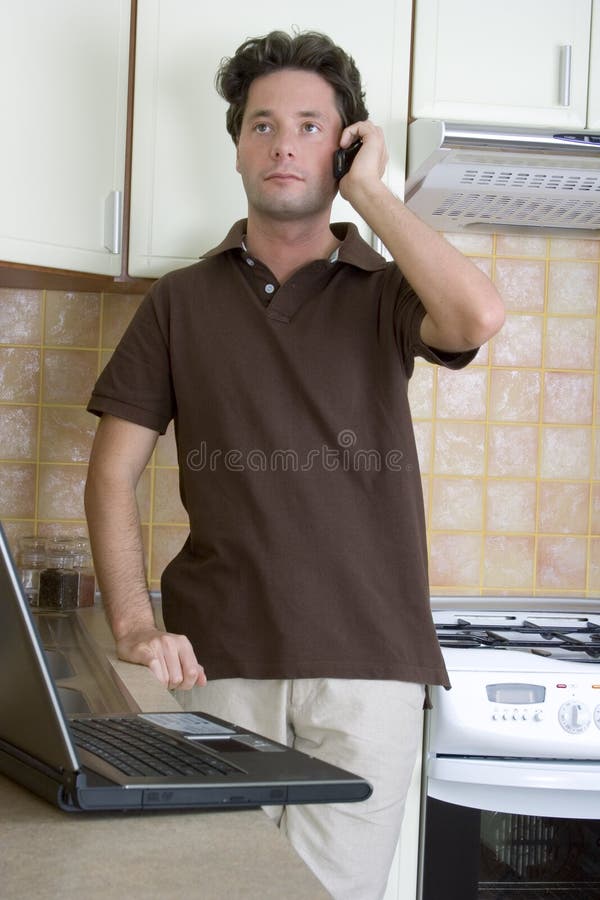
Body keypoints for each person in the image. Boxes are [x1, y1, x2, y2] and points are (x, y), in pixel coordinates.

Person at [85, 30, 504, 900]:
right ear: (236, 146)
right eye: (263, 125)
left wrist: (373, 193)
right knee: (212, 892)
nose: (284, 144)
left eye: (313, 126)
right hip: (217, 664)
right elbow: (112, 473)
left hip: (370, 671)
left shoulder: (387, 289)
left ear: (346, 146)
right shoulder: (179, 301)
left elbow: (476, 315)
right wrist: (131, 623)